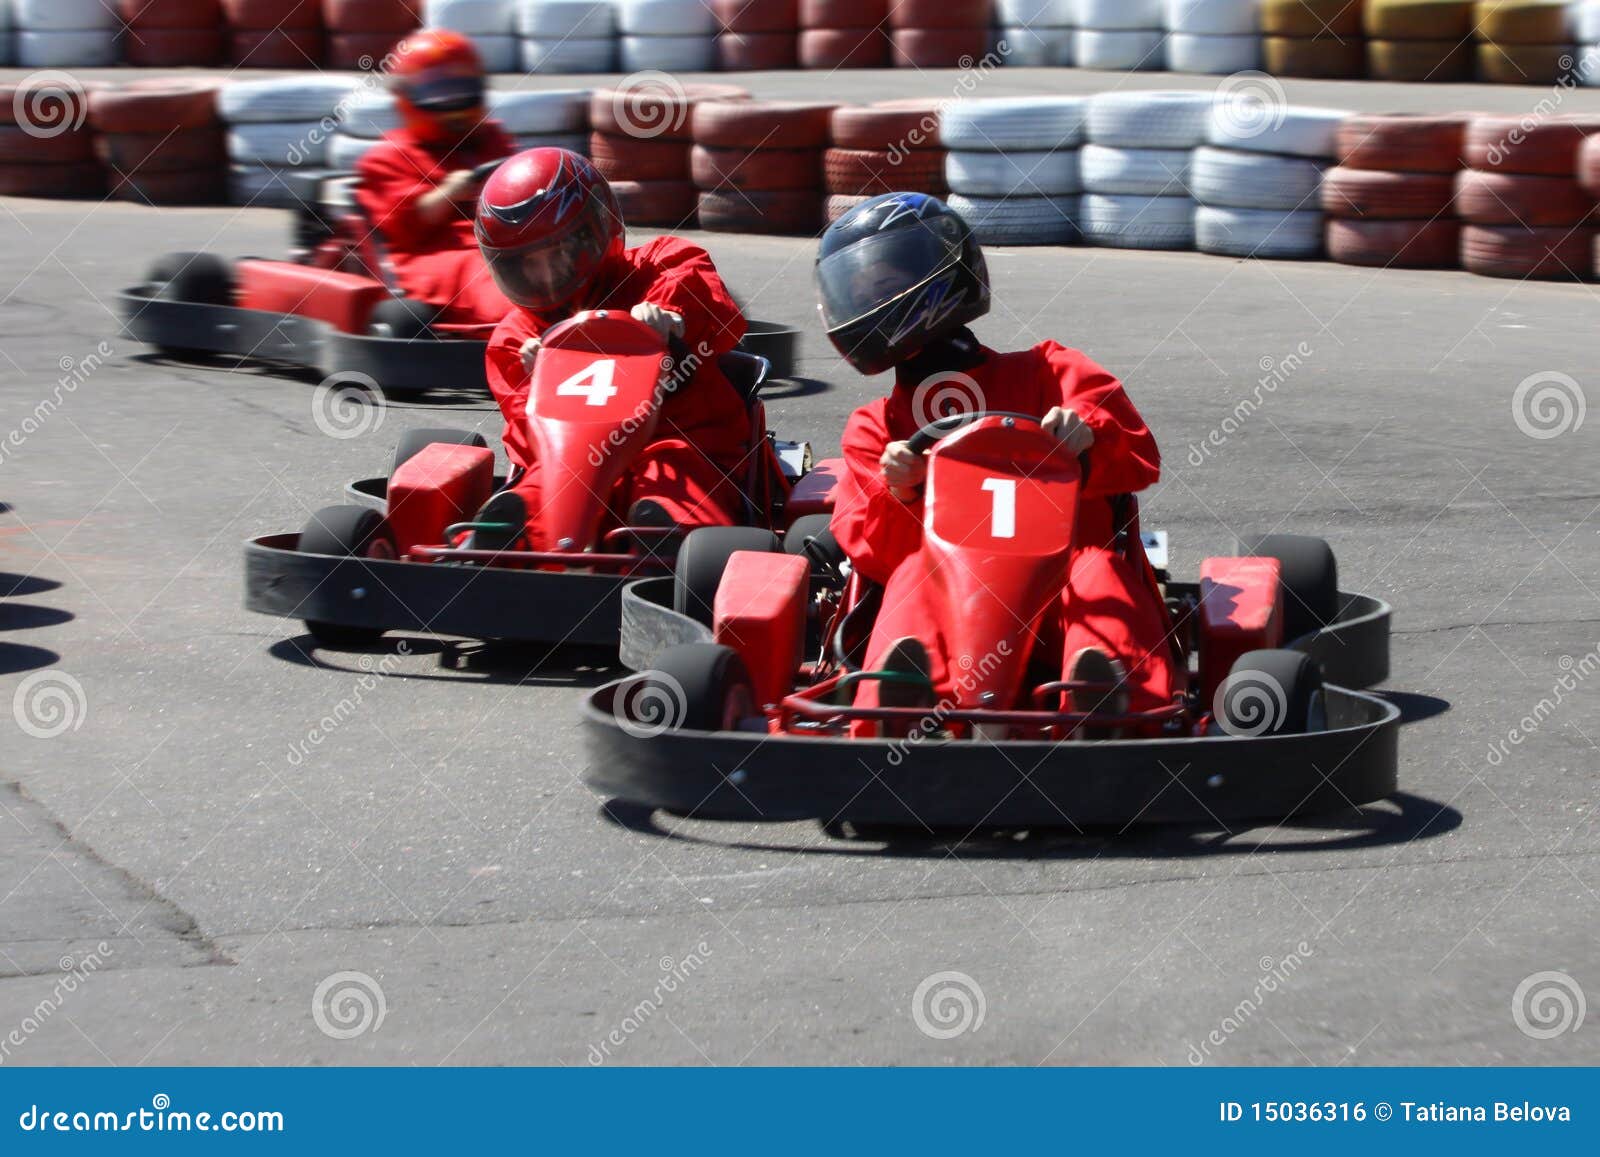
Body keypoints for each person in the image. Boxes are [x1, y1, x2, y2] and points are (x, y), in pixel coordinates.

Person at [818, 192, 1175, 721]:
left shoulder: (1049, 372)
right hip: (952, 610)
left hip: (1060, 597)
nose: (877, 302)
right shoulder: (876, 430)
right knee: (913, 577)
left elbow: (1138, 452)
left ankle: (1109, 705)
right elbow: (877, 559)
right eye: (863, 294)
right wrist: (902, 490)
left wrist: (1087, 435)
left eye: (888, 284)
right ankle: (897, 706)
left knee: (1097, 570)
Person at [467, 146, 752, 549]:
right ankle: (510, 540)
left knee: (669, 481)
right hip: (569, 468)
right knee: (538, 487)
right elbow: (530, 445)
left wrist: (670, 327)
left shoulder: (662, 265)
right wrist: (539, 384)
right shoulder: (514, 339)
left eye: (559, 252)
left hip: (679, 440)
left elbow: (715, 316)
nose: (546, 275)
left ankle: (665, 543)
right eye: (527, 262)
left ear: (596, 228)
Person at [353, 28, 514, 328]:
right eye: (439, 92)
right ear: (406, 97)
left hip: (507, 238)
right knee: (488, 269)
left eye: (462, 89)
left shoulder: (492, 138)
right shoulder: (388, 156)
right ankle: (527, 323)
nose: (454, 101)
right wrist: (449, 193)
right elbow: (404, 228)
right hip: (436, 253)